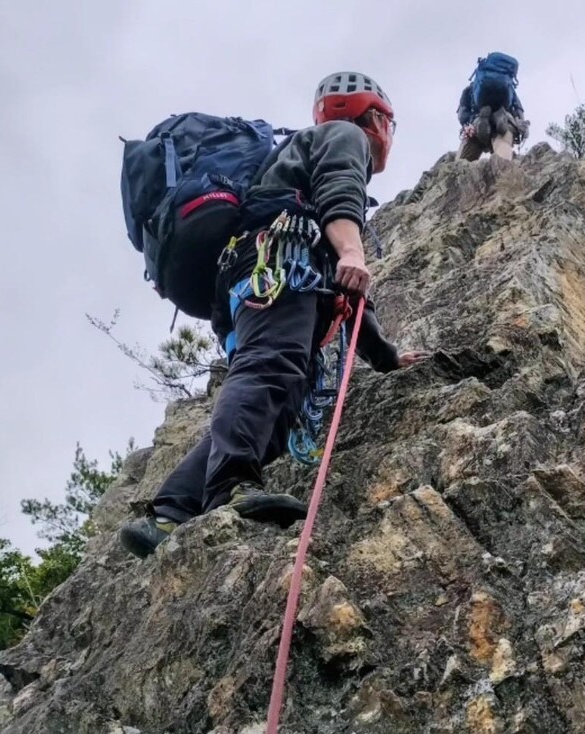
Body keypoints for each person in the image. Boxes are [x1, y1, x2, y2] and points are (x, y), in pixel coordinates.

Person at [120, 73, 426, 559]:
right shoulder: (346, 137)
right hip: (277, 262)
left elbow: (347, 298)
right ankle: (231, 487)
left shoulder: (304, 151)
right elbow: (339, 192)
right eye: (389, 123)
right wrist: (352, 250)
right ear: (376, 118)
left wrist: (385, 356)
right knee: (271, 367)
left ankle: (171, 512)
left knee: (279, 401)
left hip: (255, 280)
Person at [457, 53, 529, 162]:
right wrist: (522, 126)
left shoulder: (470, 90)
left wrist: (469, 122)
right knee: (503, 149)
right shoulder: (509, 89)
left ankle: (481, 121)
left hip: (475, 122)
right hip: (506, 119)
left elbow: (462, 115)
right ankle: (499, 119)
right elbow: (519, 111)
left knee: (461, 163)